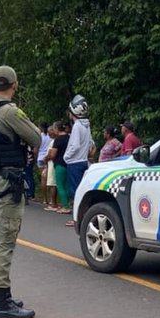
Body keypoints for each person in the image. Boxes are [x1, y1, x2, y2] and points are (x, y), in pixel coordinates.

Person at [0, 65, 42, 318]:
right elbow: (36, 137)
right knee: (5, 241)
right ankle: (3, 301)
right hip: (9, 182)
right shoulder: (9, 111)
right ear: (14, 85)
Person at [63, 96, 92, 227]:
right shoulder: (87, 125)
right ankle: (84, 216)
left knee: (75, 191)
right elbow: (91, 143)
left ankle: (76, 218)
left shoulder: (77, 126)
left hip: (74, 163)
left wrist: (66, 157)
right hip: (84, 161)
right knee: (82, 190)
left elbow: (74, 145)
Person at [47, 120, 71, 215]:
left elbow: (53, 154)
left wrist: (48, 157)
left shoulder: (58, 139)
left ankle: (65, 206)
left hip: (60, 164)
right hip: (68, 163)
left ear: (57, 129)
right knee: (67, 185)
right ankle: (67, 203)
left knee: (60, 185)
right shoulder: (69, 138)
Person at [36, 121, 52, 208]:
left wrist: (36, 157)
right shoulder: (51, 136)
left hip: (40, 157)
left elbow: (36, 148)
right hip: (48, 157)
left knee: (43, 179)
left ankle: (44, 198)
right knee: (50, 178)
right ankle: (51, 199)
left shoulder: (39, 136)